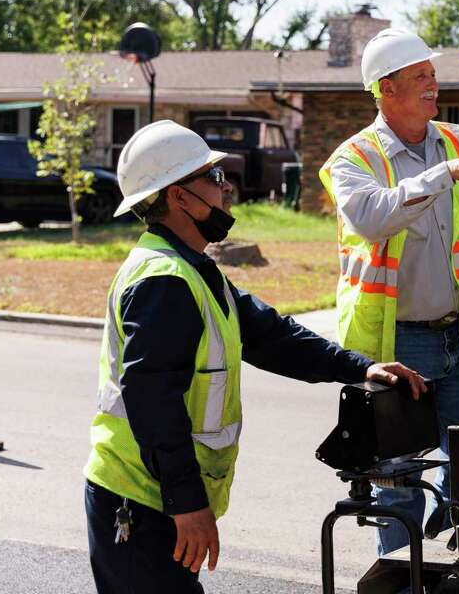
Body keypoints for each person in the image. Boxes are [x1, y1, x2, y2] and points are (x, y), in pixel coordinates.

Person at [84, 120, 426, 593]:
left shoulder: (194, 269)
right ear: (178, 197)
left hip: (153, 496)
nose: (226, 189)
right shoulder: (165, 281)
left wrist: (359, 366)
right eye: (212, 178)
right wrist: (187, 505)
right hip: (141, 501)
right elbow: (153, 403)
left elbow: (272, 336)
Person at [320, 28, 459, 553]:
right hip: (398, 344)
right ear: (386, 89)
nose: (433, 85)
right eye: (420, 76)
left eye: (432, 74)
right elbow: (372, 218)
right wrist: (442, 176)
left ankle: (448, 563)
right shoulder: (352, 158)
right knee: (397, 480)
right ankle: (401, 574)